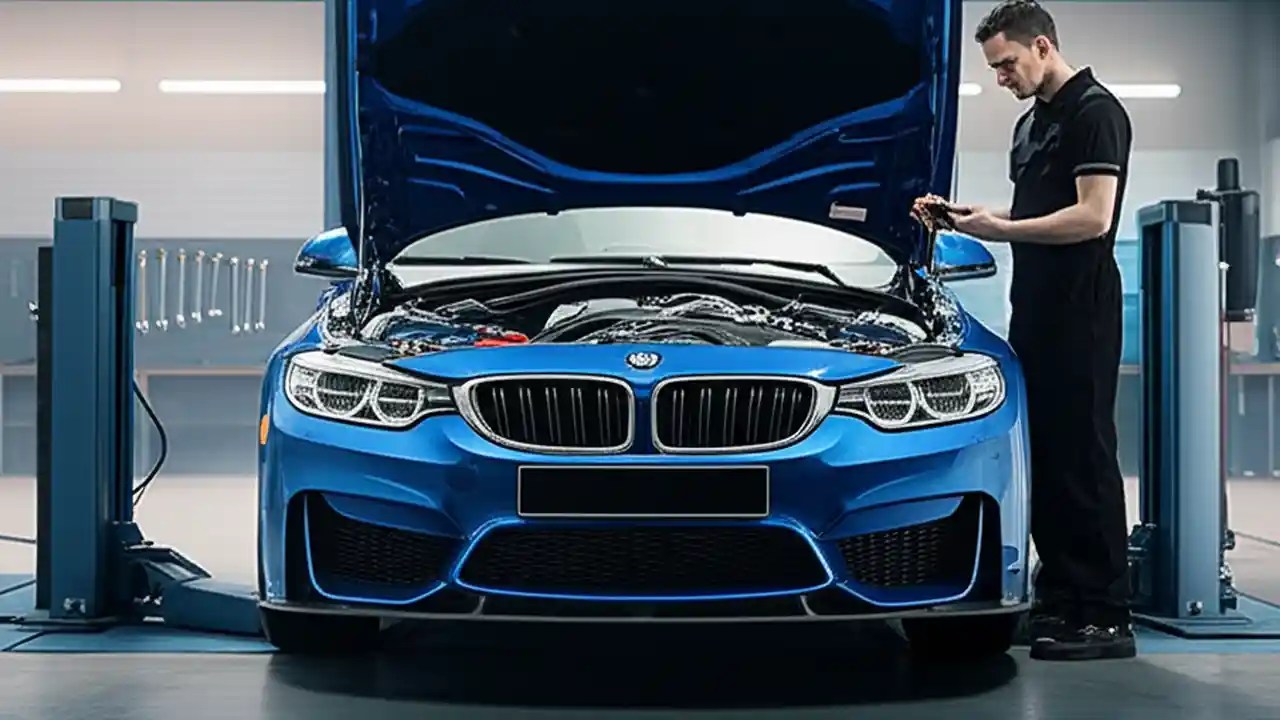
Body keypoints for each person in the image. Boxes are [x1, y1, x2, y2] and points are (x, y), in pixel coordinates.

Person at [914, 0, 1136, 661]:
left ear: (1043, 46)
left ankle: (1104, 614)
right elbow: (1040, 210)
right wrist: (971, 216)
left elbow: (1093, 218)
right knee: (1049, 458)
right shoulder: (1031, 127)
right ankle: (1062, 597)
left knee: (1086, 458)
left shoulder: (1097, 113)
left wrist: (1002, 231)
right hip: (1036, 308)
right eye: (993, 67)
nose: (1000, 76)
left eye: (1006, 63)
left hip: (1083, 311)